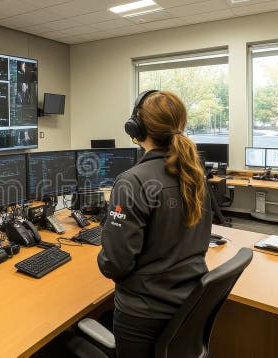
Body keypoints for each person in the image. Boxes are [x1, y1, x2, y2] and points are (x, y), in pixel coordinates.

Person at [97, 91, 210, 358]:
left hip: (143, 315)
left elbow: (115, 264)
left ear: (136, 128)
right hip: (188, 303)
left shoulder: (131, 181)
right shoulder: (194, 173)